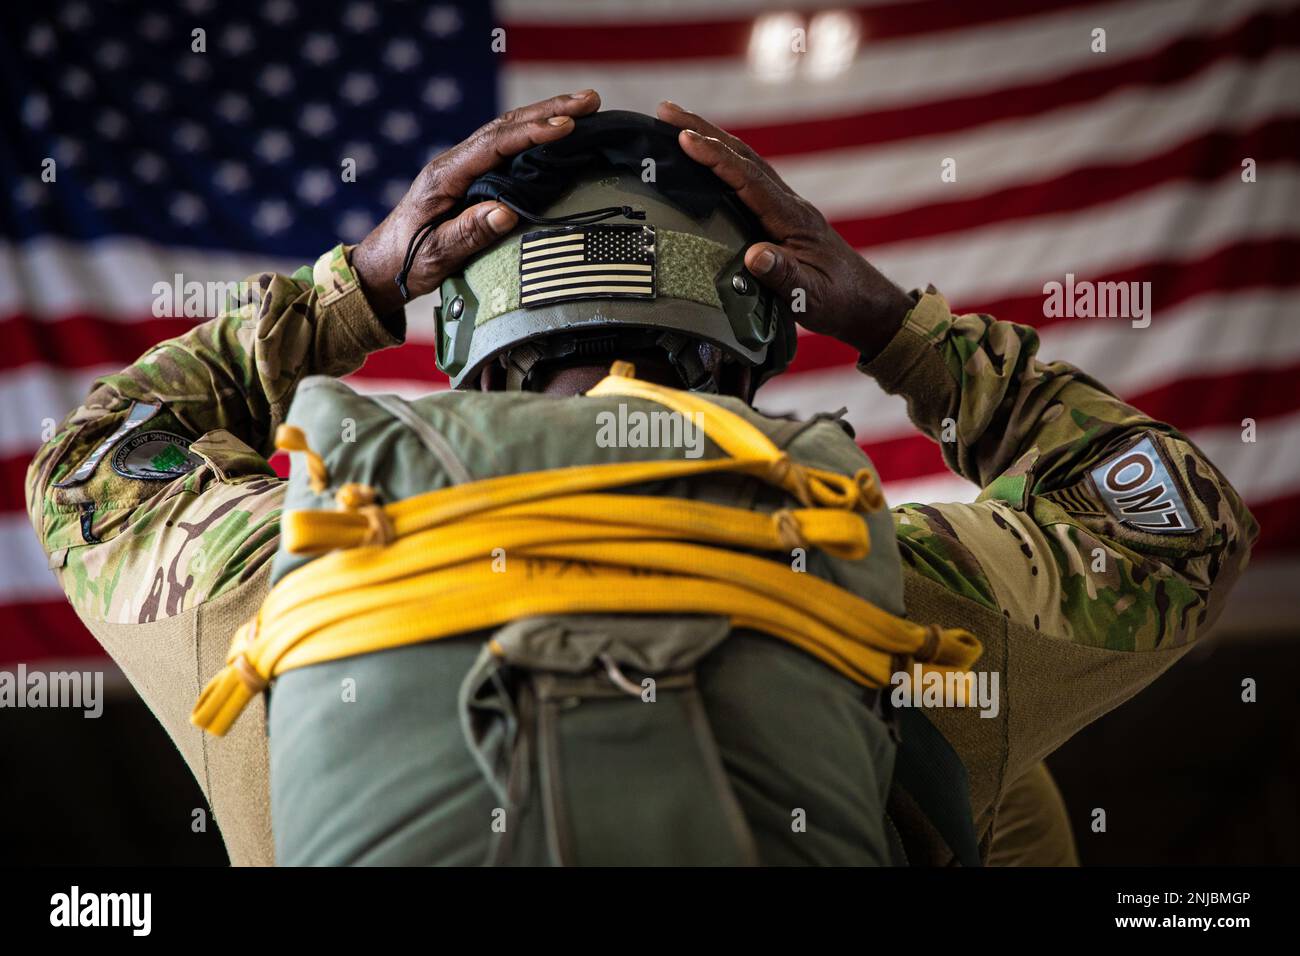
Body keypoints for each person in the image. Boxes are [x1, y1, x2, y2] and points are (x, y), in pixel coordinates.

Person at [26, 92, 1256, 865]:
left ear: (460, 332)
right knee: (989, 781)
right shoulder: (883, 566)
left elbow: (95, 453)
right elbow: (1181, 524)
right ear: (761, 327)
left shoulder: (278, 555)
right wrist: (897, 328)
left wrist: (354, 286)